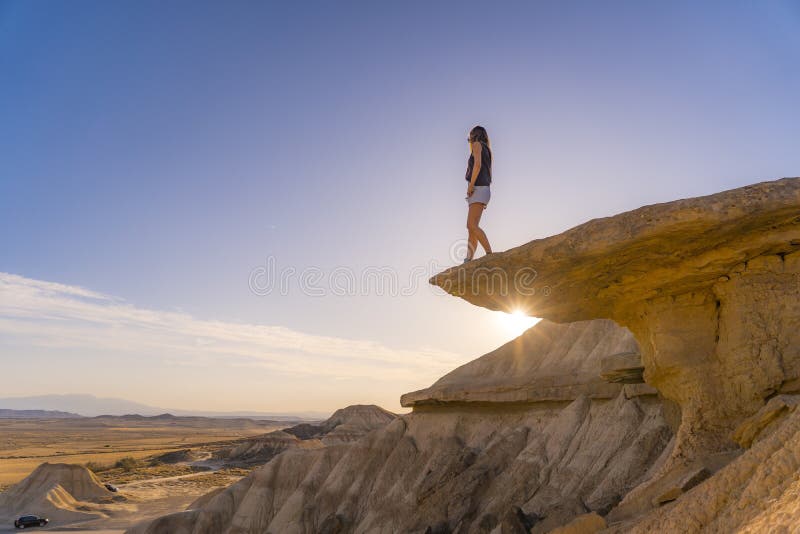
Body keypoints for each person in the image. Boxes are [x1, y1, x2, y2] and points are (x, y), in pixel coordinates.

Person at [463, 125, 493, 262]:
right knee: (472, 230)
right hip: (484, 189)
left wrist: (471, 186)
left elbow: (477, 165)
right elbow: (488, 173)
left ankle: (490, 254)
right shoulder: (488, 150)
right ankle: (468, 260)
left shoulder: (477, 145)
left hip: (478, 188)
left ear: (475, 135)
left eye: (470, 136)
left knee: (471, 225)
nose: (469, 140)